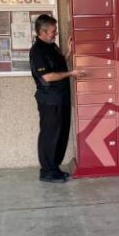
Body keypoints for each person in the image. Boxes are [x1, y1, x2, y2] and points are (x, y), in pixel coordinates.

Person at [29, 14, 83, 183]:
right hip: (50, 100)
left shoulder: (52, 46)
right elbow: (47, 76)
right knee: (50, 135)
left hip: (61, 98)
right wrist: (71, 74)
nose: (56, 33)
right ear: (43, 32)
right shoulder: (37, 50)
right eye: (53, 31)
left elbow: (59, 63)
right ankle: (47, 171)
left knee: (60, 134)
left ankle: (54, 168)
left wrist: (68, 52)